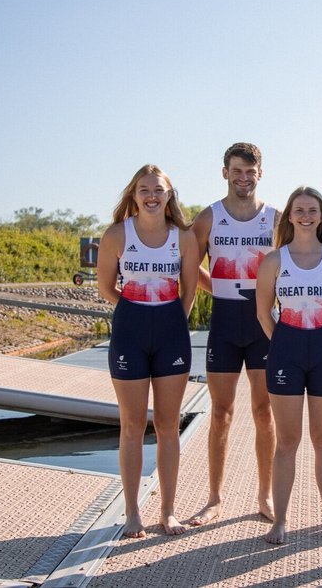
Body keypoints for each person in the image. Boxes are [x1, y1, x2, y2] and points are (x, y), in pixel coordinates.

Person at [97, 164, 200, 537]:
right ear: (134, 195)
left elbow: (188, 289)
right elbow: (107, 287)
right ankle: (132, 512)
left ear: (169, 195)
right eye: (145, 190)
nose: (152, 196)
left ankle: (168, 512)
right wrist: (135, 309)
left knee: (169, 425)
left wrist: (174, 318)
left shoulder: (184, 238)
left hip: (171, 334)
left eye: (159, 190)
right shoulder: (115, 235)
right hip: (130, 333)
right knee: (132, 425)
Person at [255, 187, 322, 544]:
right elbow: (263, 312)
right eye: (299, 209)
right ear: (290, 217)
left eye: (312, 209)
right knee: (287, 442)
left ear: (321, 215)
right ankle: (280, 522)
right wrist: (284, 341)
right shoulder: (274, 261)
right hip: (286, 353)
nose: (306, 215)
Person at [188, 143, 278, 526]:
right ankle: (214, 498)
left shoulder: (276, 220)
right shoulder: (209, 218)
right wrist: (220, 288)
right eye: (237, 171)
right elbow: (189, 268)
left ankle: (265, 495)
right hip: (224, 324)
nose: (244, 178)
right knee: (221, 413)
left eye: (250, 172)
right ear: (225, 172)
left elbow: (293, 265)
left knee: (264, 412)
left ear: (260, 173)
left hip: (264, 325)